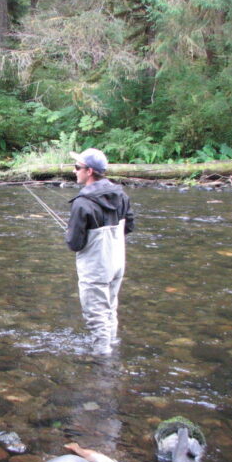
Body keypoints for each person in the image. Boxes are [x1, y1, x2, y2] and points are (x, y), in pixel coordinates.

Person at [65, 148, 134, 354]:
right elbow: (128, 227)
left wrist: (69, 233)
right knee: (110, 310)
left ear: (90, 171)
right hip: (117, 264)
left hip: (95, 269)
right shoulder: (121, 195)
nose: (74, 171)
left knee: (96, 316)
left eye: (78, 167)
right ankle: (110, 348)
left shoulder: (82, 203)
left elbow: (74, 244)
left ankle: (102, 362)